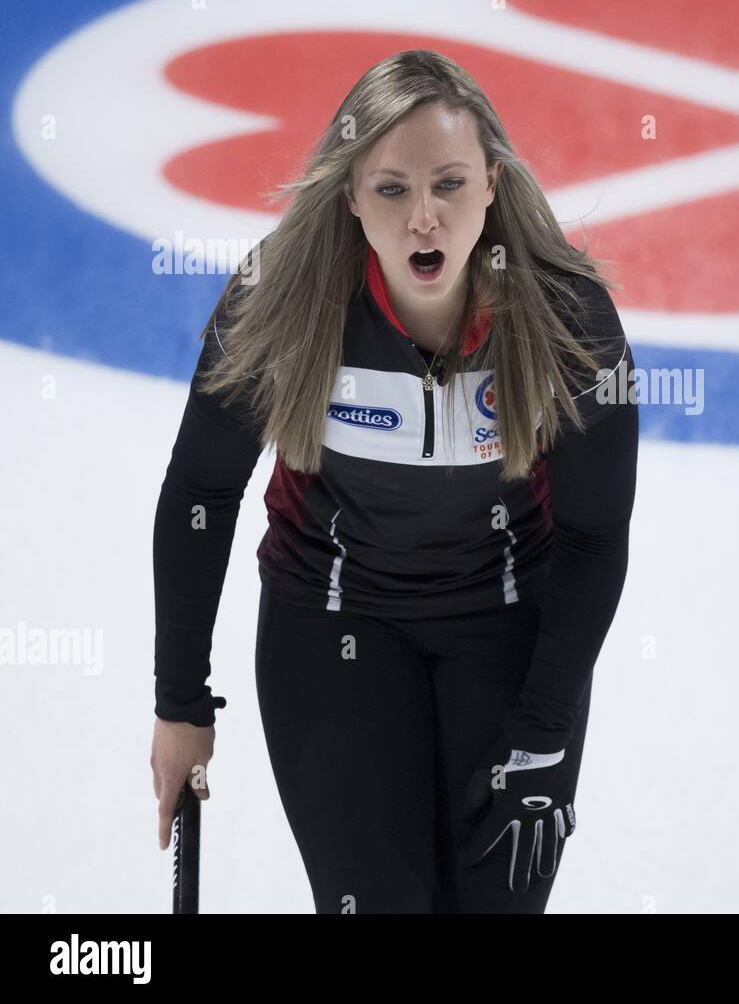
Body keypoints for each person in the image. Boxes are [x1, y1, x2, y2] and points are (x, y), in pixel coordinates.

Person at [148, 49, 639, 913]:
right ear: (349, 196)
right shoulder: (282, 299)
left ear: (492, 185)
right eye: (392, 190)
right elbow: (200, 493)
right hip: (332, 624)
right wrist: (182, 704)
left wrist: (547, 728)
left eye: (449, 185)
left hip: (508, 621)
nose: (424, 219)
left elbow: (595, 537)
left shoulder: (567, 317)